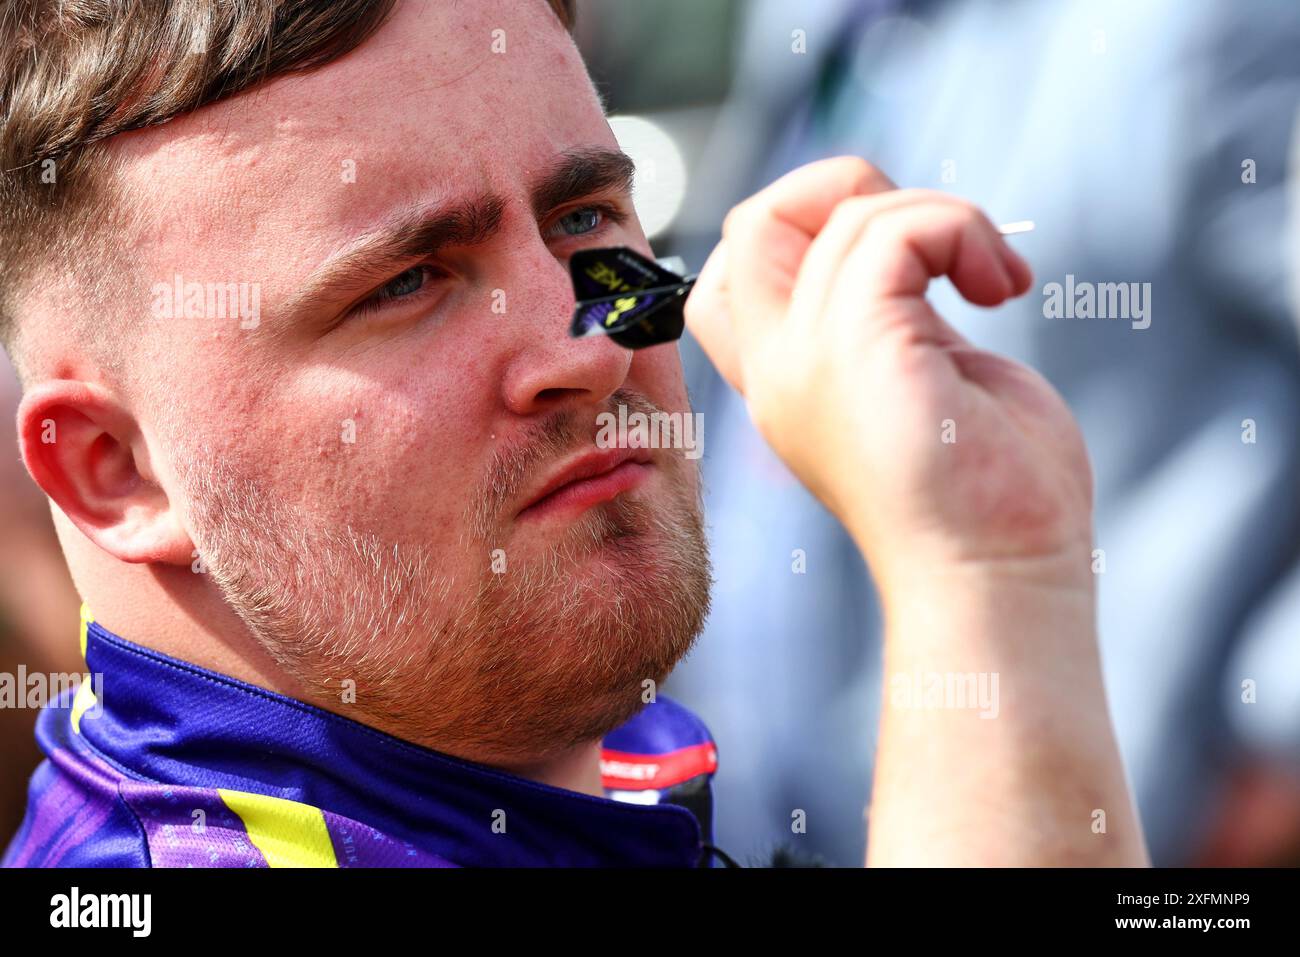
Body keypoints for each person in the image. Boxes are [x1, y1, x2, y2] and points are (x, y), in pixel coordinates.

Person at [0, 0, 1145, 867]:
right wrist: (983, 588)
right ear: (117, 471)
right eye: (408, 281)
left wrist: (996, 560)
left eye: (583, 216)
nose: (589, 345)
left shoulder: (556, 766)